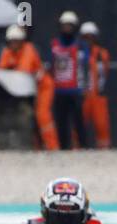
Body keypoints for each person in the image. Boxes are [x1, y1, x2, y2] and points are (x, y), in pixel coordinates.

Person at [48, 11, 91, 150]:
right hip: (59, 90)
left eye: (69, 26)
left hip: (75, 90)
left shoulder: (80, 45)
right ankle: (63, 148)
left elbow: (86, 68)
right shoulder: (54, 44)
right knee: (61, 121)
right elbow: (51, 66)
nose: (67, 28)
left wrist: (85, 87)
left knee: (78, 121)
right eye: (64, 26)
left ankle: (83, 146)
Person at [81, 22, 111, 149]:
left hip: (98, 95)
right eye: (85, 37)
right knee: (80, 124)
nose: (88, 40)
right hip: (83, 95)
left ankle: (104, 150)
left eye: (91, 37)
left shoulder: (102, 54)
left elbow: (105, 72)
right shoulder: (78, 53)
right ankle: (78, 148)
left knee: (102, 124)